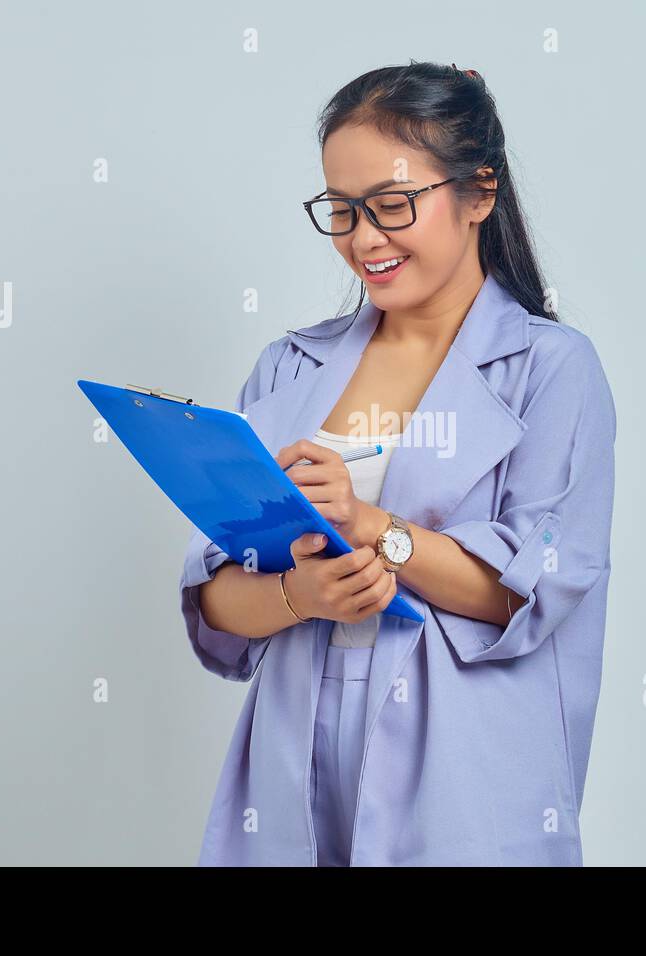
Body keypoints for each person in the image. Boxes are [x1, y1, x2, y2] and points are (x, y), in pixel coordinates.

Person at [180, 61, 617, 865]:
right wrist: (297, 592)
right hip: (294, 757)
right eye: (342, 211)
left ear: (479, 193)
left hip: (463, 775)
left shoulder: (551, 371)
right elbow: (214, 603)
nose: (364, 239)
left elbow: (533, 590)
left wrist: (374, 528)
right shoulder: (288, 368)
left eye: (391, 205)